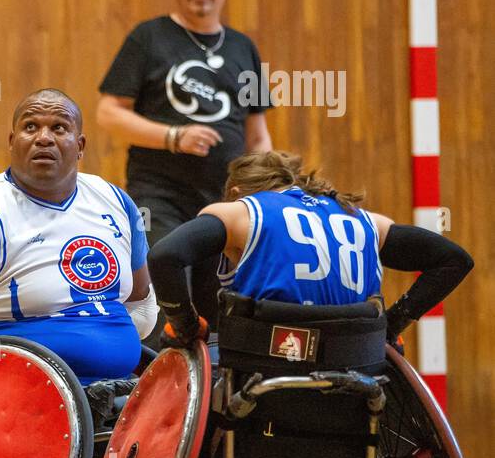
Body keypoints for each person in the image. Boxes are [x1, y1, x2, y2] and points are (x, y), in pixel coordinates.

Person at [0, 89, 159, 384]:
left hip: (116, 398)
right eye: (30, 127)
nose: (44, 137)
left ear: (80, 145)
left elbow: (142, 310)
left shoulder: (116, 201)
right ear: (12, 142)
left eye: (59, 128)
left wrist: (102, 344)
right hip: (15, 402)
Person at [97, 0, 273, 333]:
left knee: (223, 302)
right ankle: (165, 386)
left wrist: (271, 197)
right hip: (160, 198)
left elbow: (258, 137)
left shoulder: (244, 48)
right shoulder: (149, 38)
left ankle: (217, 391)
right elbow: (108, 112)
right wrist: (174, 136)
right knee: (166, 293)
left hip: (227, 202)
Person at [148, 150, 473, 351]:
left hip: (267, 362)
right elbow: (454, 260)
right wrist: (392, 324)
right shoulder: (363, 218)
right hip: (357, 362)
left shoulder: (239, 212)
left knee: (190, 344)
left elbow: (164, 257)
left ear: (236, 192)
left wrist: (187, 326)